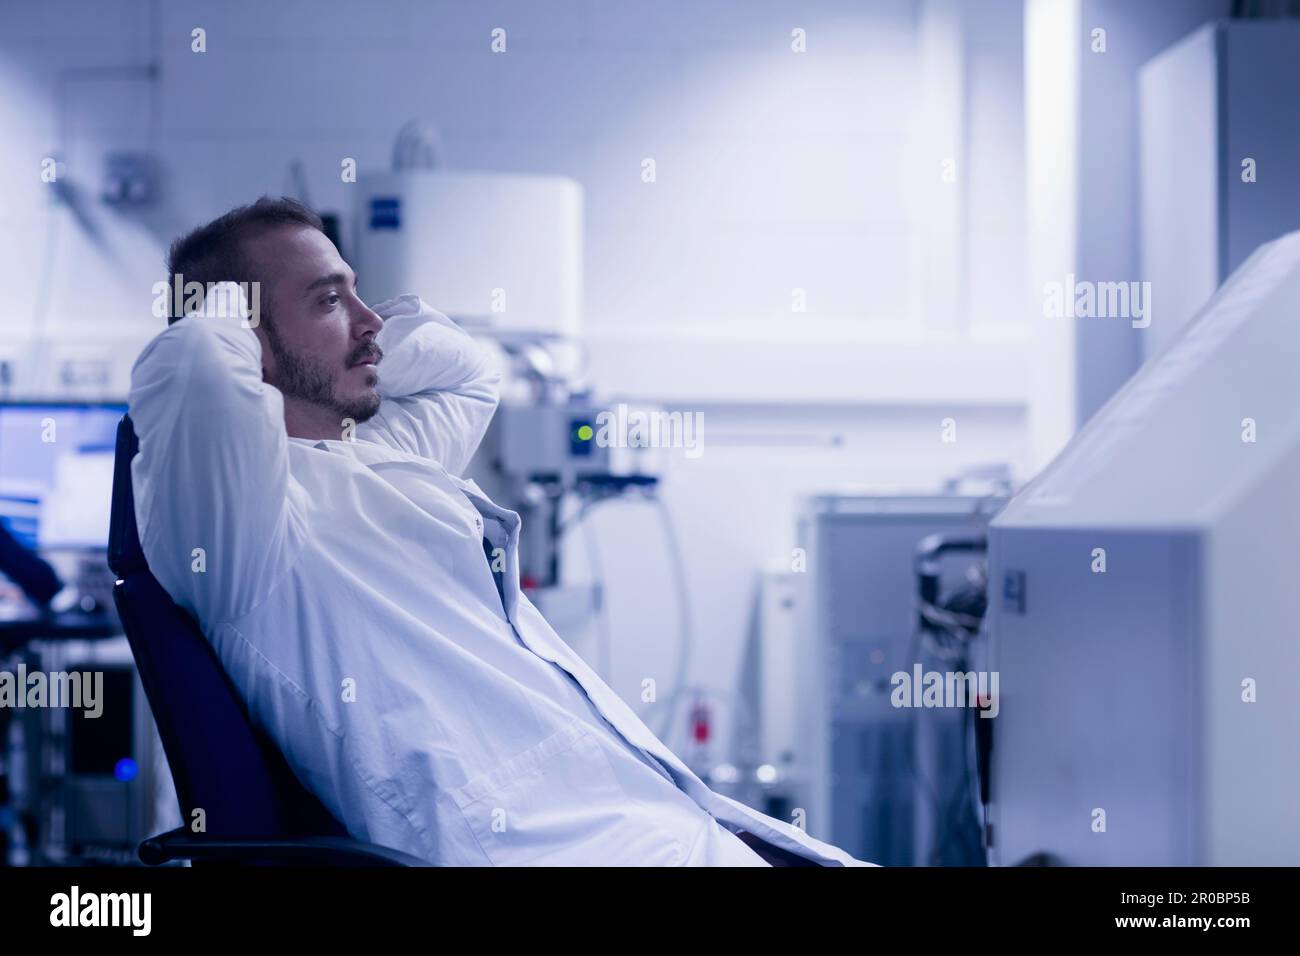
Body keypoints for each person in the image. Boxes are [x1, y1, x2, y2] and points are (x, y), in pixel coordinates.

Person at [128, 196, 872, 867]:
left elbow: (467, 372)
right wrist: (227, 308)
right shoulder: (242, 531)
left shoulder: (366, 458)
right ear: (244, 334)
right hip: (541, 849)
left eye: (356, 292)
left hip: (645, 821)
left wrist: (342, 336)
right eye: (328, 299)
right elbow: (196, 366)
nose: (371, 320)